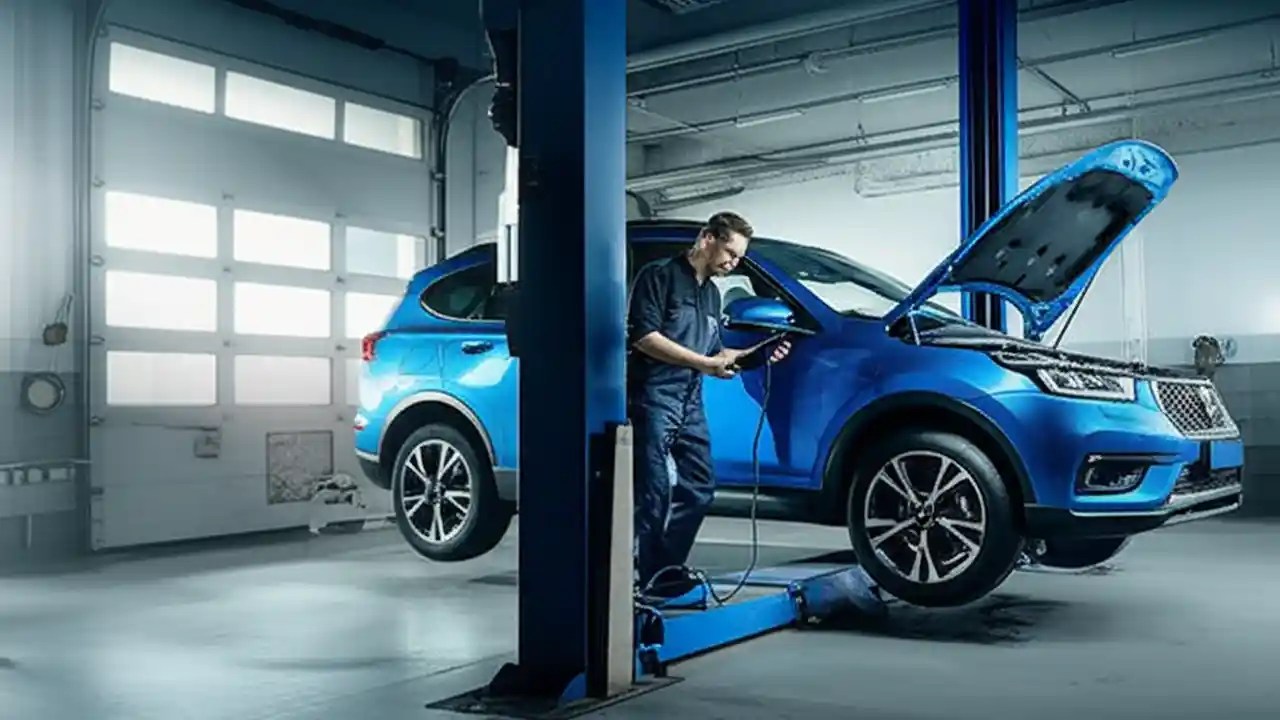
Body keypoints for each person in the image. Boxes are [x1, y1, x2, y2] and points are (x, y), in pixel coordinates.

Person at [626, 211, 792, 600]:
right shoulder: (659, 276)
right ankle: (647, 579)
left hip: (689, 400)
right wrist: (705, 364)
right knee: (653, 493)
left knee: (700, 488)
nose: (733, 263)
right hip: (653, 396)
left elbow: (715, 351)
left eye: (738, 257)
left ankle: (663, 570)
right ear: (706, 238)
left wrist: (757, 355)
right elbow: (644, 337)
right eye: (730, 253)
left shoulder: (711, 293)